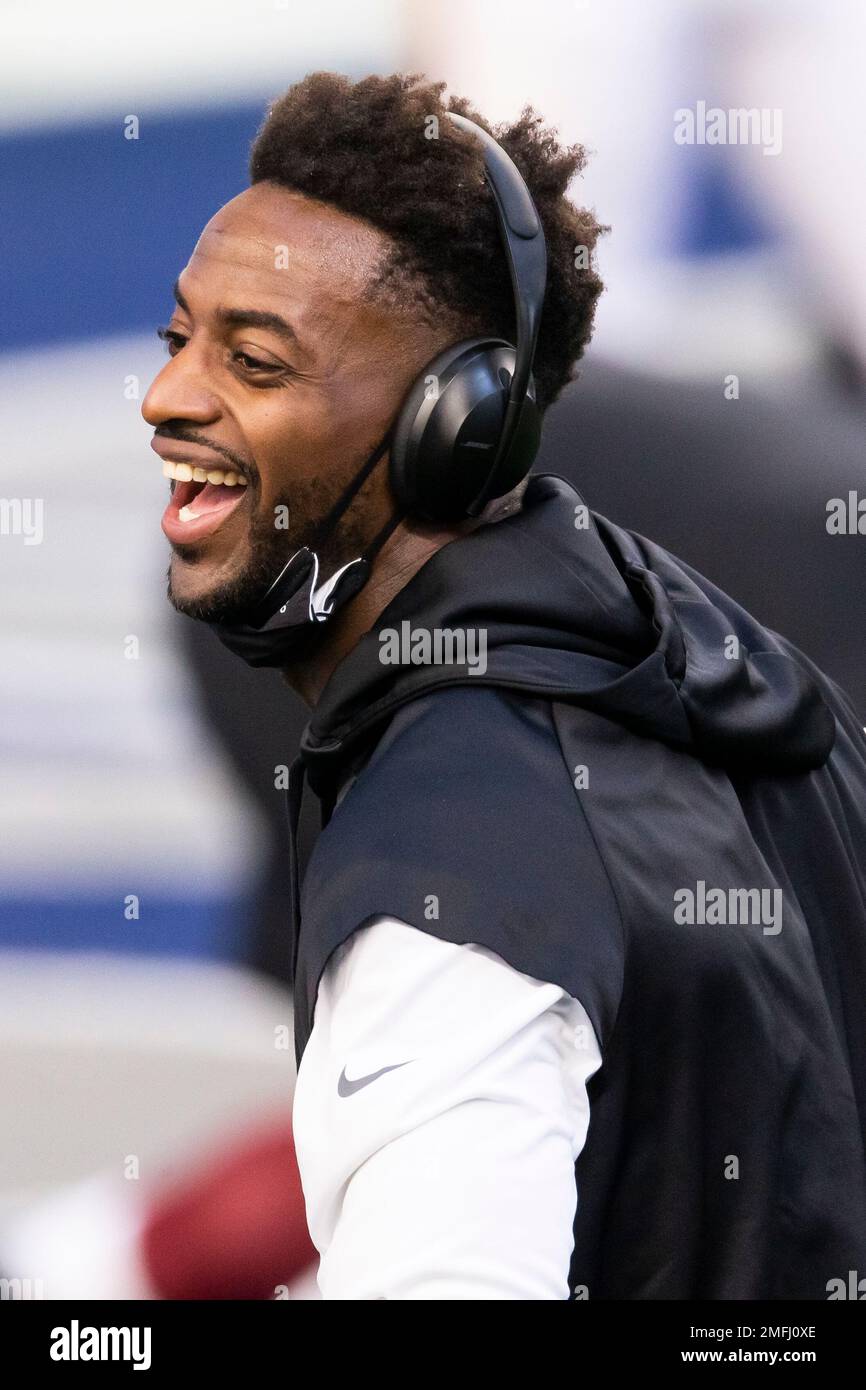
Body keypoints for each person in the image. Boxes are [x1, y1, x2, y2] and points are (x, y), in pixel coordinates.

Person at [142, 71, 866, 1300]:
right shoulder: (731, 678)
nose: (162, 398)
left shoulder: (459, 854)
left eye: (253, 361)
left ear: (448, 427)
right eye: (179, 342)